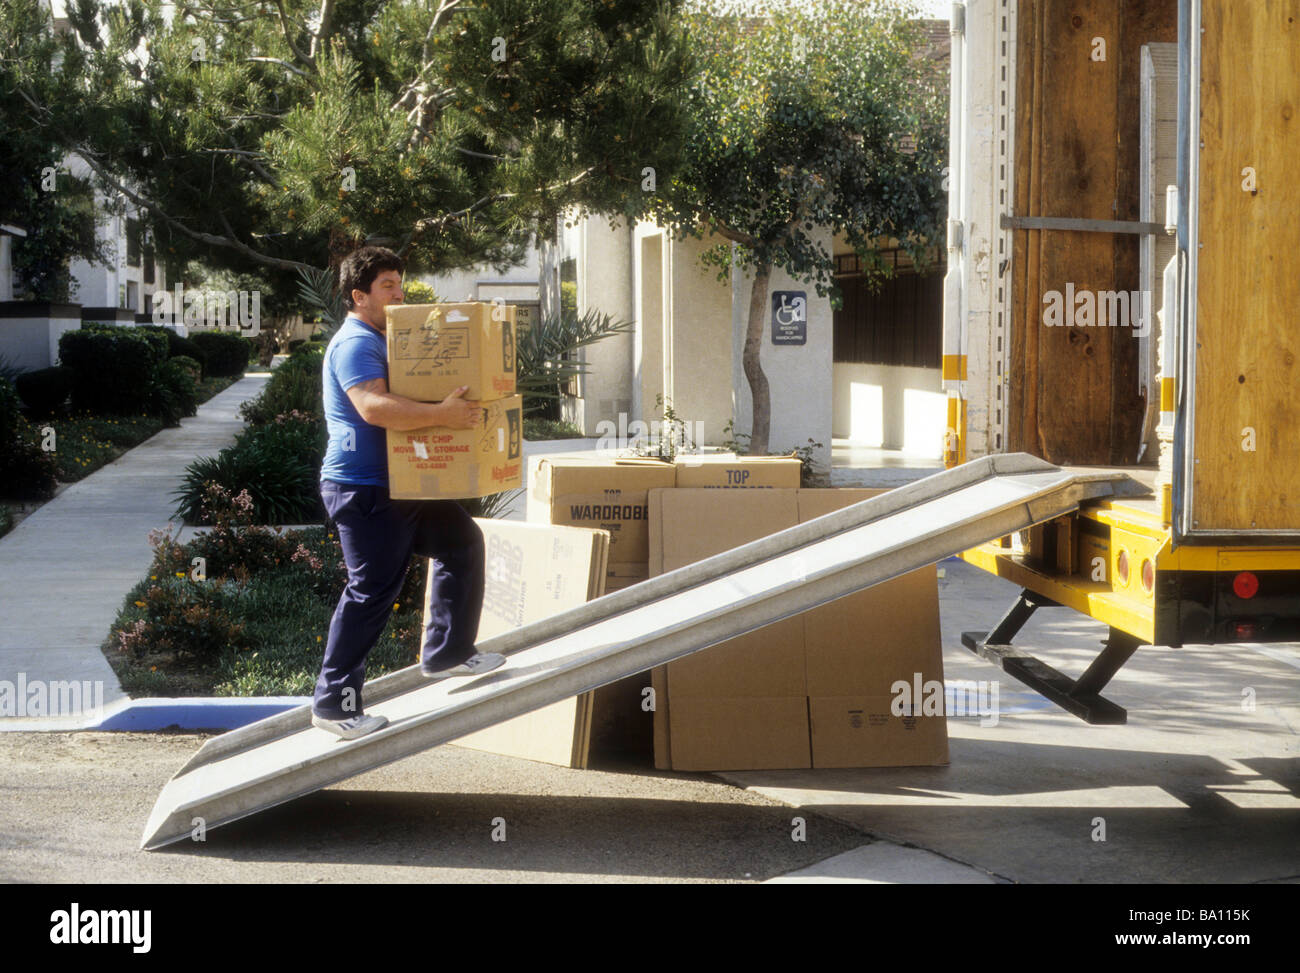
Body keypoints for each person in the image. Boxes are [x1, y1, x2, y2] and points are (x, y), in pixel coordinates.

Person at [312, 246, 506, 740]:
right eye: (388, 287)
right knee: (371, 591)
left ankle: (447, 653)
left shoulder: (390, 336)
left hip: (405, 482)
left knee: (461, 543)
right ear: (359, 296)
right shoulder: (355, 342)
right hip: (364, 489)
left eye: (401, 283)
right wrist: (442, 414)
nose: (400, 293)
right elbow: (374, 407)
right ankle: (335, 706)